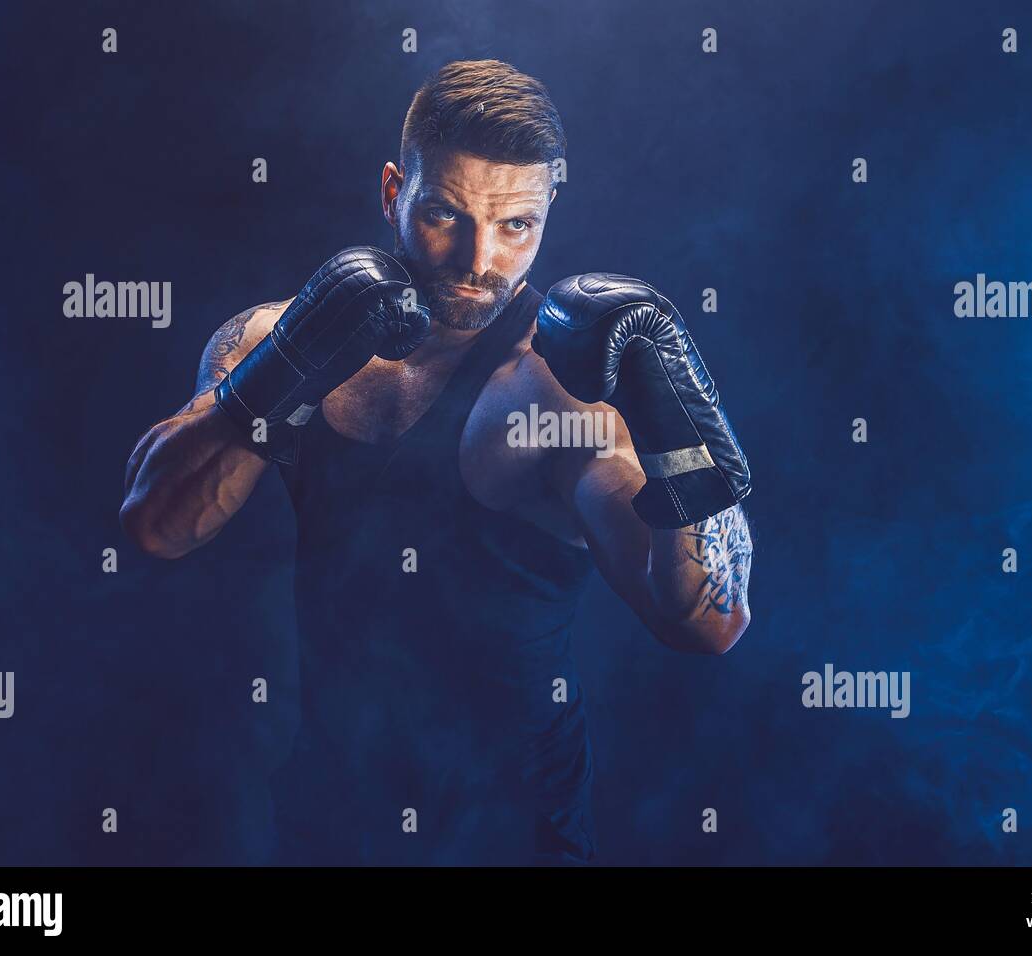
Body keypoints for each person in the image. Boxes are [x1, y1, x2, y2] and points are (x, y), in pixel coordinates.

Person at [119, 59, 754, 865]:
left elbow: (708, 626)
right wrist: (285, 366)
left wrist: (684, 432)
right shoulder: (271, 339)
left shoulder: (563, 397)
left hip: (514, 830)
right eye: (444, 215)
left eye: (516, 226)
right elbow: (156, 528)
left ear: (549, 212)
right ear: (393, 193)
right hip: (332, 810)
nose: (479, 259)